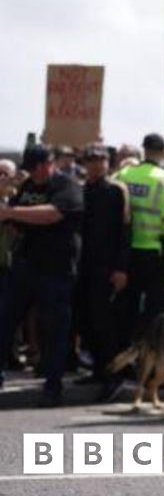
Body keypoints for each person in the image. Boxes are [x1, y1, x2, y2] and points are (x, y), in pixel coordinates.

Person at [0, 145, 84, 406]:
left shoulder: (66, 186)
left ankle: (53, 386)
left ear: (49, 163)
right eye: (30, 169)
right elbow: (11, 216)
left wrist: (11, 213)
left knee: (53, 330)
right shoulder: (28, 187)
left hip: (55, 268)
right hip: (25, 265)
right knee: (4, 322)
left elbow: (53, 215)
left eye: (37, 167)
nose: (34, 173)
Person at [114, 134, 164, 345]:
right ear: (163, 153)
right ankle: (147, 355)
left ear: (143, 149)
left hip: (125, 254)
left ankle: (123, 355)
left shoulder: (123, 174)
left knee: (126, 306)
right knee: (155, 309)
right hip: (155, 254)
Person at [75, 143, 131, 401]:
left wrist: (121, 268)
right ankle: (98, 370)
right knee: (87, 322)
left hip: (107, 267)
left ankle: (113, 377)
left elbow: (124, 231)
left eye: (101, 160)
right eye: (91, 160)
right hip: (84, 265)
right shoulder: (81, 190)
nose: (97, 164)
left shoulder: (116, 191)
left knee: (105, 324)